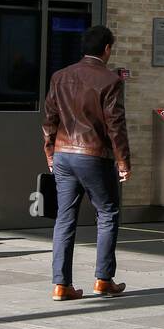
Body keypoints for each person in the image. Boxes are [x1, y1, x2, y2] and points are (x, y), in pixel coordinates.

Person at [43, 25, 131, 302]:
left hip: (63, 156)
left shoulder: (60, 76)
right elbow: (115, 125)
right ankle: (103, 280)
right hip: (93, 156)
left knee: (64, 218)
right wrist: (123, 161)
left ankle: (61, 285)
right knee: (107, 213)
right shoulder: (110, 80)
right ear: (107, 49)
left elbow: (49, 120)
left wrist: (50, 154)